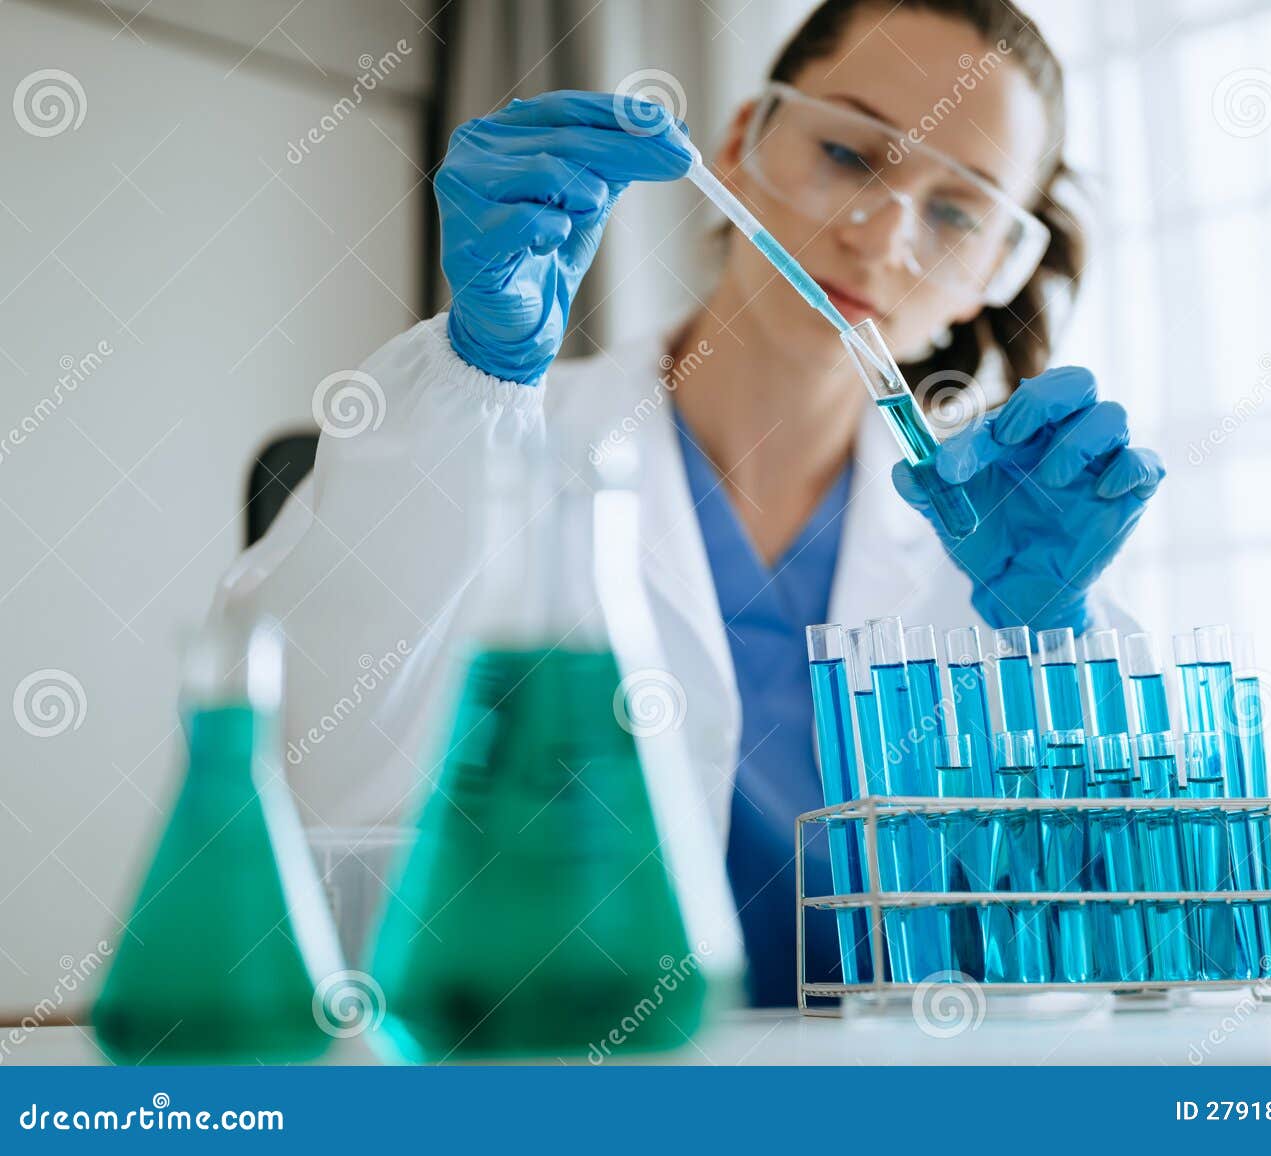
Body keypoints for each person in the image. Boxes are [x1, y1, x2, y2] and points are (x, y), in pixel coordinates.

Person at [213, 0, 1164, 1006]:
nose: (881, 233)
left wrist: (1052, 641)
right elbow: (287, 781)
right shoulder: (495, 436)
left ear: (994, 274)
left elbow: (1107, 953)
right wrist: (472, 383)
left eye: (956, 211)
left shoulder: (1000, 540)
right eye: (848, 153)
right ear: (743, 141)